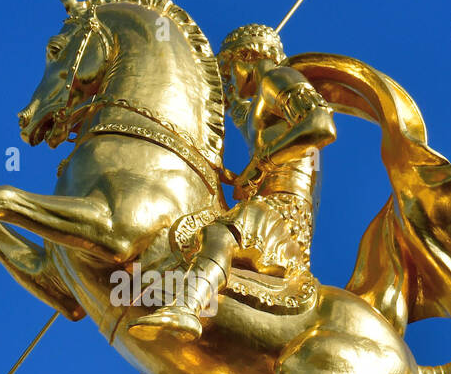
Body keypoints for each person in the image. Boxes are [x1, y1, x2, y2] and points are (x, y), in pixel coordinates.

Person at [130, 23, 336, 341]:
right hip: (268, 199)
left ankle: (186, 308)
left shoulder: (279, 79)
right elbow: (246, 120)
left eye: (230, 69)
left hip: (283, 208)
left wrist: (260, 163)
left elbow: (321, 125)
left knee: (219, 234)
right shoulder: (263, 98)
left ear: (246, 58)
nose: (231, 78)